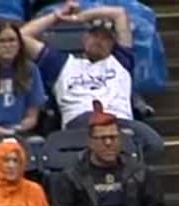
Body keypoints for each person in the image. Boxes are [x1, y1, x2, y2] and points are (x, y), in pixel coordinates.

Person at [20, 1, 164, 163]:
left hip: (120, 122)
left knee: (154, 143)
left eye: (106, 38)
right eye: (95, 36)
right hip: (80, 122)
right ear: (84, 38)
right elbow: (21, 36)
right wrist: (57, 16)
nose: (99, 41)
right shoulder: (63, 64)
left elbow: (119, 13)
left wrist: (81, 16)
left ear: (113, 43)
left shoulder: (121, 61)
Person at [47, 101, 165, 206]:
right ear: (90, 142)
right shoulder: (71, 176)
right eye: (102, 138)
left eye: (113, 137)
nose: (108, 143)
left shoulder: (140, 172)